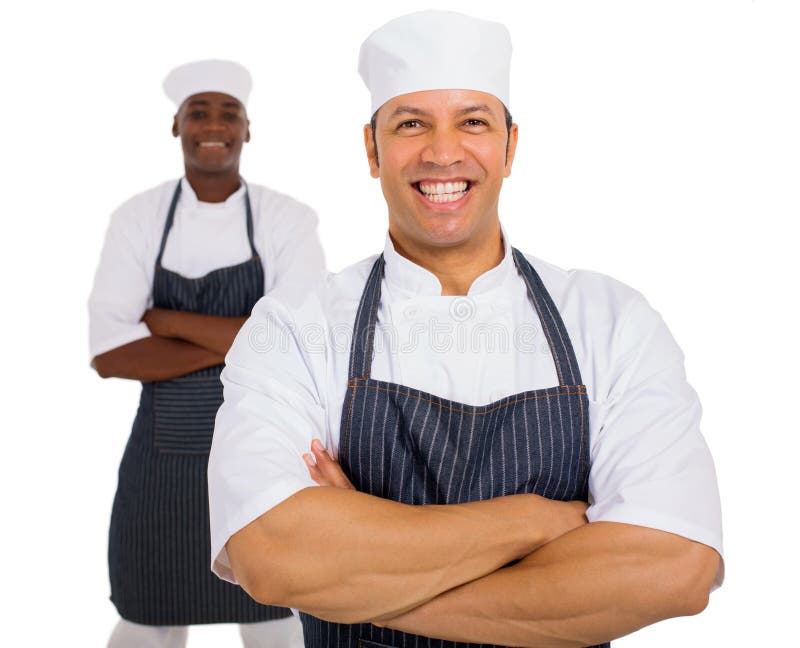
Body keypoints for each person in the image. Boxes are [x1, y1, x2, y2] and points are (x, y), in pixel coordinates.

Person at [208, 12, 723, 648]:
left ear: (510, 147)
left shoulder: (613, 322)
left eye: (473, 121)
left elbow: (676, 570)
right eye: (411, 123)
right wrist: (535, 521)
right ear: (372, 150)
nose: (443, 151)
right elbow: (272, 555)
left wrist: (359, 584)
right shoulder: (293, 328)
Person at [89, 59, 322, 648]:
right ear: (176, 126)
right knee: (148, 615)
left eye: (228, 114)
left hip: (265, 455)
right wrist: (245, 336)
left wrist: (165, 321)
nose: (213, 125)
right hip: (161, 461)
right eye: (198, 112)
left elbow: (299, 342)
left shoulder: (287, 218)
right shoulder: (138, 219)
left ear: (248, 129)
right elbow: (109, 354)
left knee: (276, 618)